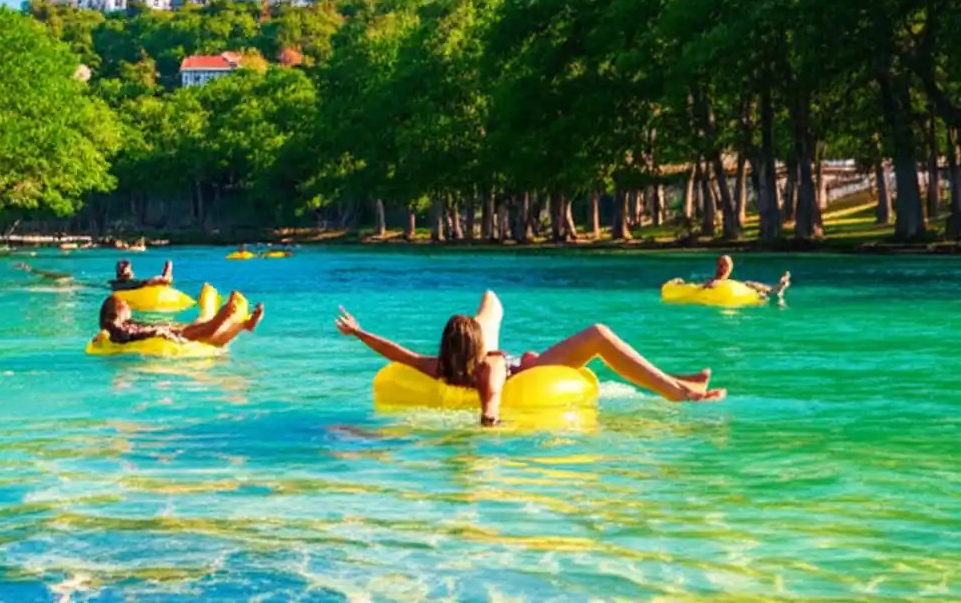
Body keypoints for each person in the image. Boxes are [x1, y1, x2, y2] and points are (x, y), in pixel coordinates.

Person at [335, 291, 724, 427]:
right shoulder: (469, 365)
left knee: (491, 306)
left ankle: (679, 385)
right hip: (528, 370)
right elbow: (489, 409)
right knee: (600, 335)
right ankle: (679, 388)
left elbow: (396, 353)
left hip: (521, 367)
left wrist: (358, 332)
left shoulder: (451, 366)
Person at [97, 290, 264, 347]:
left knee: (193, 328)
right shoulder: (113, 326)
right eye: (125, 307)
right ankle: (221, 319)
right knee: (196, 331)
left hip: (157, 331)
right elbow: (109, 332)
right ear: (118, 312)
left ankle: (241, 324)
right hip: (160, 335)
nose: (129, 309)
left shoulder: (123, 325)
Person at [668, 255, 791, 300]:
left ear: (730, 268)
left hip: (741, 294)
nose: (722, 268)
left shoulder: (736, 284)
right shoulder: (710, 281)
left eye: (725, 265)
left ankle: (777, 288)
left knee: (749, 284)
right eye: (720, 265)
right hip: (719, 296)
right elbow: (698, 289)